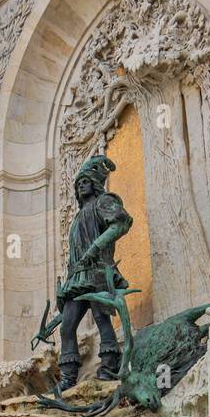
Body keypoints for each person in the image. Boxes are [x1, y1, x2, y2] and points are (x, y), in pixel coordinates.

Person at [57, 154, 133, 391]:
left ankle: (109, 366)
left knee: (101, 317)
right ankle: (68, 378)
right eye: (78, 184)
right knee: (67, 326)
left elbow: (122, 223)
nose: (81, 186)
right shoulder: (79, 216)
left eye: (85, 182)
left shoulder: (103, 203)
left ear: (95, 183)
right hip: (78, 277)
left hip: (99, 270)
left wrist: (97, 246)